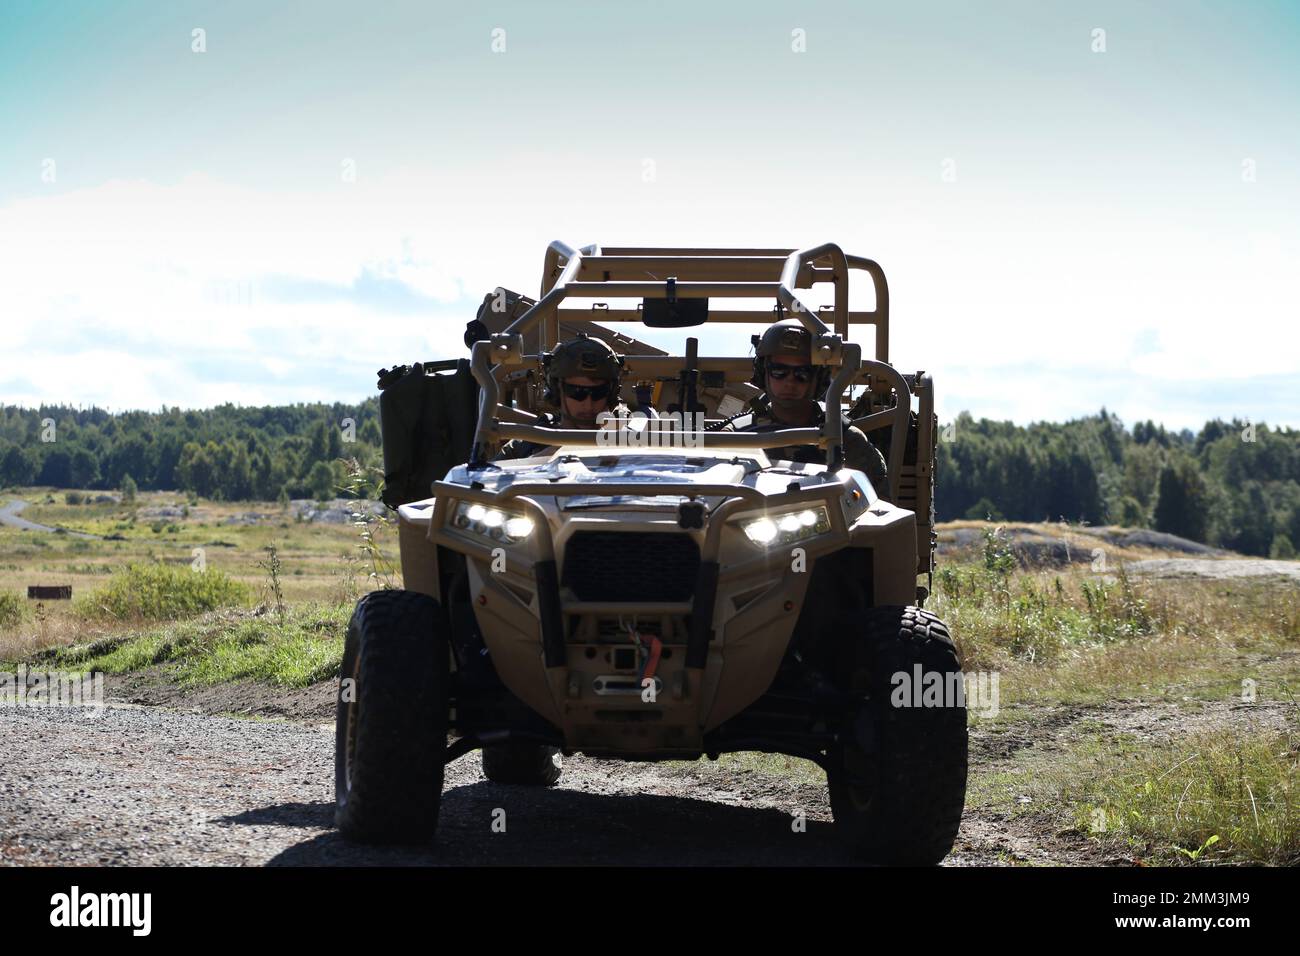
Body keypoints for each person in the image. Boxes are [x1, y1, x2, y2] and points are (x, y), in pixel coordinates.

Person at [724, 319, 888, 495]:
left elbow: (879, 508)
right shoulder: (738, 436)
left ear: (818, 379)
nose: (789, 382)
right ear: (763, 372)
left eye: (802, 374)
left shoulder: (847, 439)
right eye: (779, 371)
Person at [497, 333, 624, 459]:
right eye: (576, 392)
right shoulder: (522, 448)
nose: (588, 403)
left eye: (599, 392)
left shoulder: (629, 445)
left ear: (611, 392)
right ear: (558, 390)